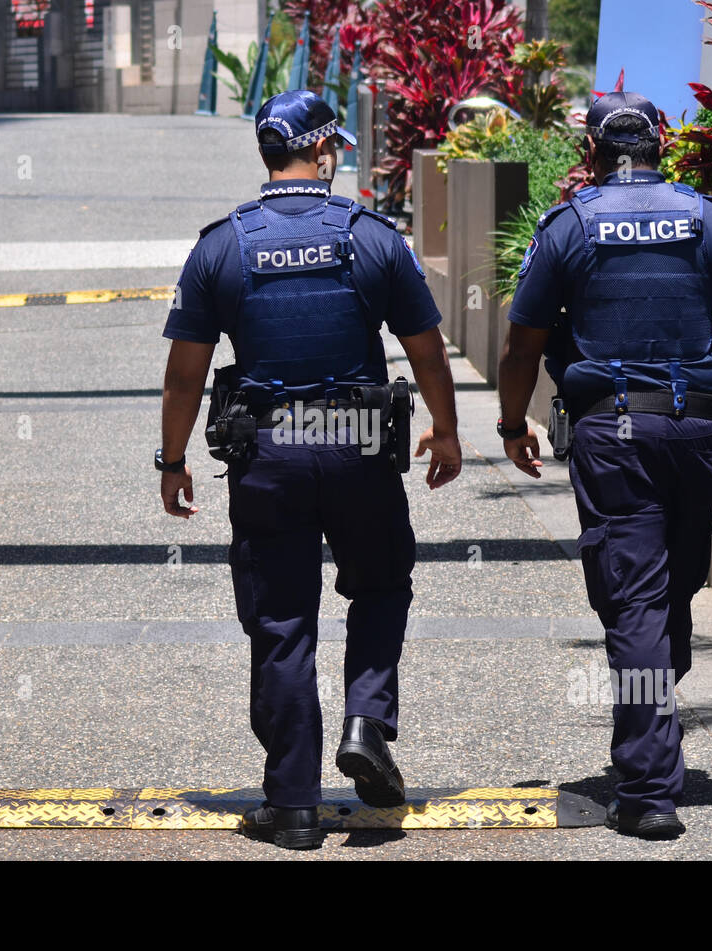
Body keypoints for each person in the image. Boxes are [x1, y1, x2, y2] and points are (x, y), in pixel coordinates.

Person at [497, 91, 712, 840]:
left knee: (635, 598)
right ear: (660, 146)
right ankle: (654, 732)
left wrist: (514, 422)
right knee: (670, 585)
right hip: (699, 434)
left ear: (595, 152)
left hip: (616, 435)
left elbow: (522, 342)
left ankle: (645, 790)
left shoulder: (570, 227)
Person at [158, 90, 462, 850]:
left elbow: (184, 374)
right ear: (322, 152)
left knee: (283, 621)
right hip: (360, 447)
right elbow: (425, 346)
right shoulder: (371, 238)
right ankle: (366, 719)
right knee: (382, 583)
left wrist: (172, 460)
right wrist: (447, 429)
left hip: (268, 457)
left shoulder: (221, 246)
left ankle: (293, 806)